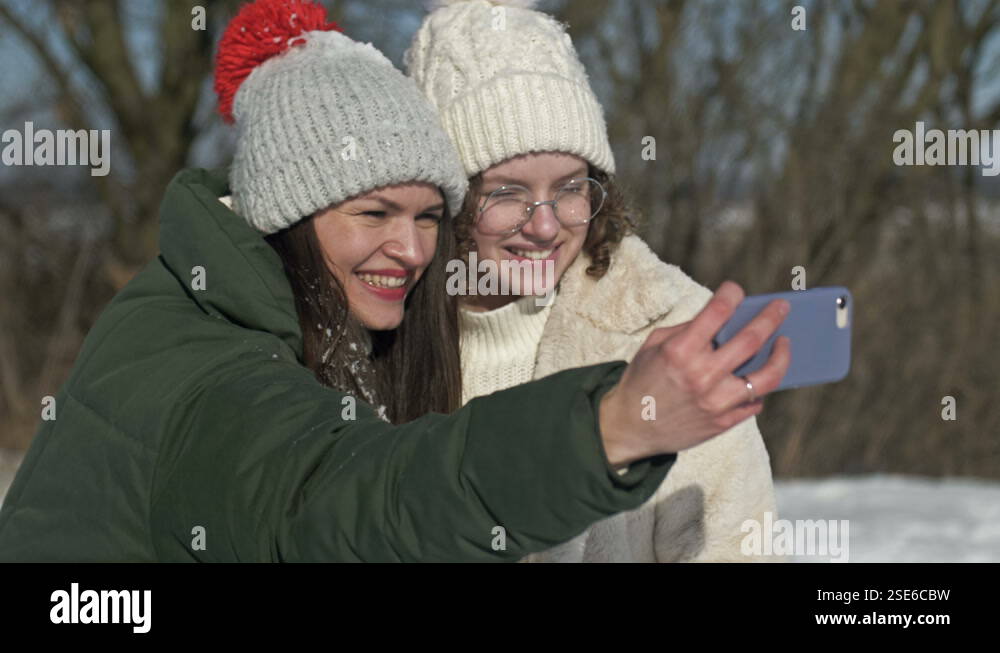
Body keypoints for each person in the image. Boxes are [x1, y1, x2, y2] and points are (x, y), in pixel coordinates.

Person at [0, 0, 788, 563]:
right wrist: (612, 427)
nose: (408, 249)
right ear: (288, 212)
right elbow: (358, 501)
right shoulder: (234, 366)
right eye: (505, 190)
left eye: (422, 215)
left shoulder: (663, 331)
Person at [406, 0, 790, 561]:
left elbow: (735, 546)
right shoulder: (373, 333)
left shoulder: (668, 333)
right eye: (507, 192)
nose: (544, 224)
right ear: (442, 197)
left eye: (569, 187)